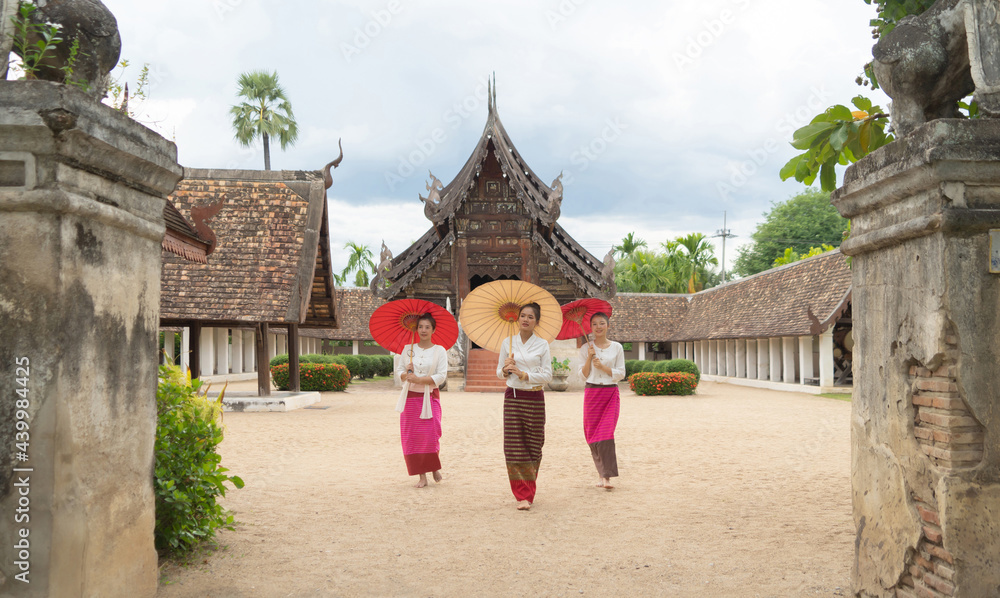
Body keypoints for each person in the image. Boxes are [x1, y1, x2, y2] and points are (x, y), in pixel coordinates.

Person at [496, 303, 552, 510]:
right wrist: (505, 369)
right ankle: (523, 495)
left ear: (536, 321)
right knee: (514, 447)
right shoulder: (507, 343)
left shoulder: (542, 344)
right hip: (513, 397)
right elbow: (498, 373)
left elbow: (547, 375)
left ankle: (529, 483)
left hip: (534, 398)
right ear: (517, 319)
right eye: (522, 316)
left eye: (530, 317)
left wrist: (523, 374)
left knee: (534, 446)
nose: (525, 319)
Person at [395, 313, 448, 488]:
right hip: (410, 398)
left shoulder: (439, 350)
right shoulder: (407, 349)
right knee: (413, 438)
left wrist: (420, 380)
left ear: (433, 329)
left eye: (427, 327)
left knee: (432, 435)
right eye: (420, 327)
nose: (423, 330)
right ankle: (422, 475)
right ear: (416, 329)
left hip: (429, 397)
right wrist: (405, 373)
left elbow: (441, 376)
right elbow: (399, 373)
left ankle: (433, 467)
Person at [578, 311, 625, 489]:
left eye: (602, 323)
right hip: (592, 393)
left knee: (606, 434)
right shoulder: (585, 349)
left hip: (610, 393)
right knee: (592, 435)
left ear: (608, 326)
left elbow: (621, 373)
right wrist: (589, 358)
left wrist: (604, 367)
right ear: (590, 328)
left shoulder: (617, 347)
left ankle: (607, 477)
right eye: (595, 324)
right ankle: (600, 473)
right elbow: (582, 376)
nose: (598, 327)